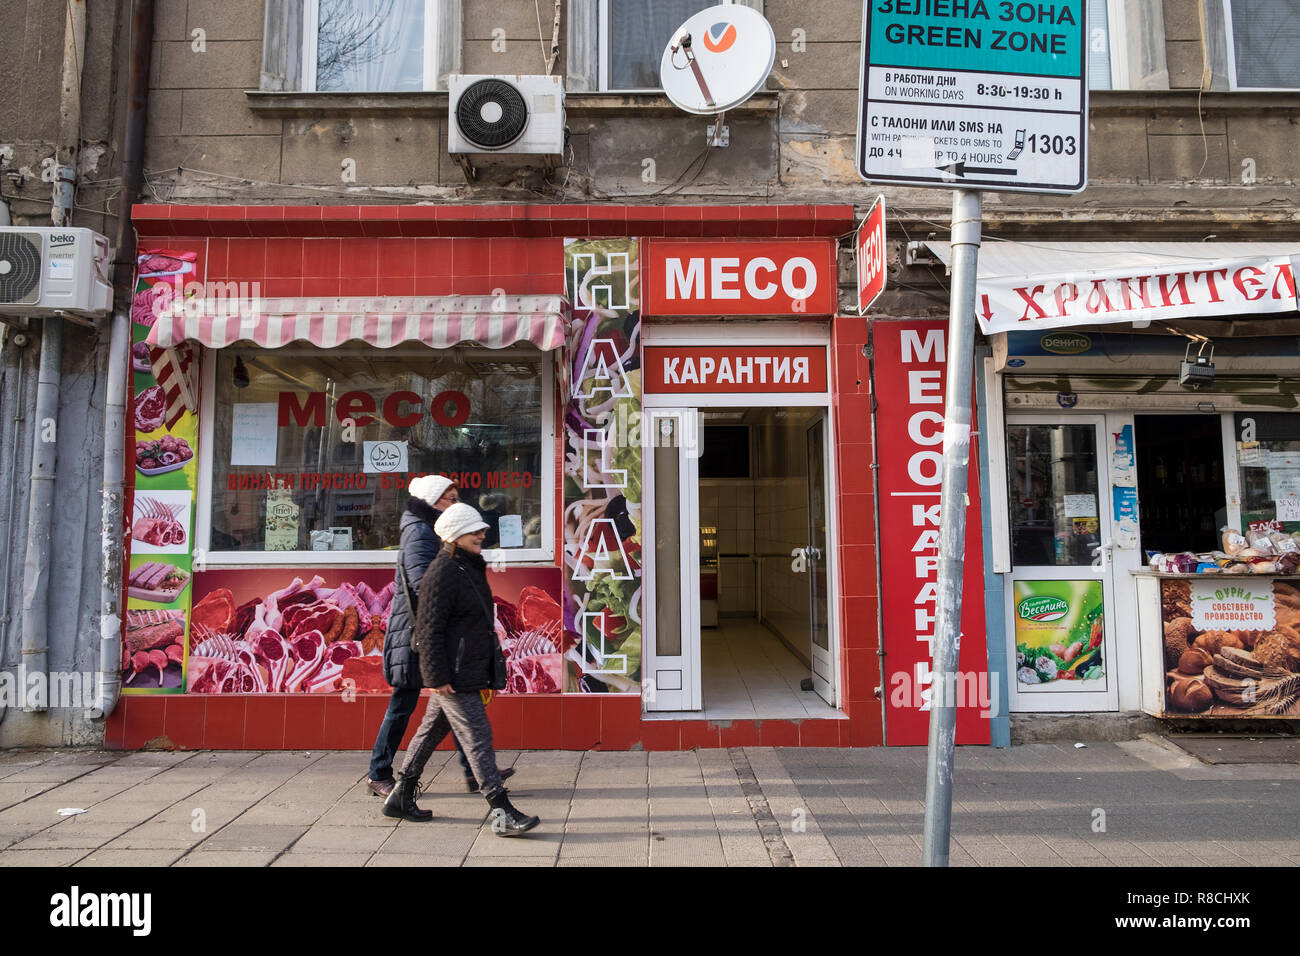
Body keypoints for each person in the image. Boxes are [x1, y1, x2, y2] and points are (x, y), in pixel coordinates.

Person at [383, 503, 539, 836]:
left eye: (482, 530)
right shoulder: (443, 572)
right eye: (475, 530)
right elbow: (428, 628)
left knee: (429, 733)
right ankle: (502, 813)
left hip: (463, 668)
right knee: (478, 738)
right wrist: (436, 676)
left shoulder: (468, 566)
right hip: (452, 674)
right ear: (455, 535)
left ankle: (401, 796)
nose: (483, 534)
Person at [365, 476, 513, 799]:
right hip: (415, 631)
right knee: (403, 702)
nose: (457, 504)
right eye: (451, 499)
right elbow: (424, 587)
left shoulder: (432, 530)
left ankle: (475, 772)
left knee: (452, 702)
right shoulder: (419, 533)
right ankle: (378, 772)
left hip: (427, 628)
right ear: (433, 503)